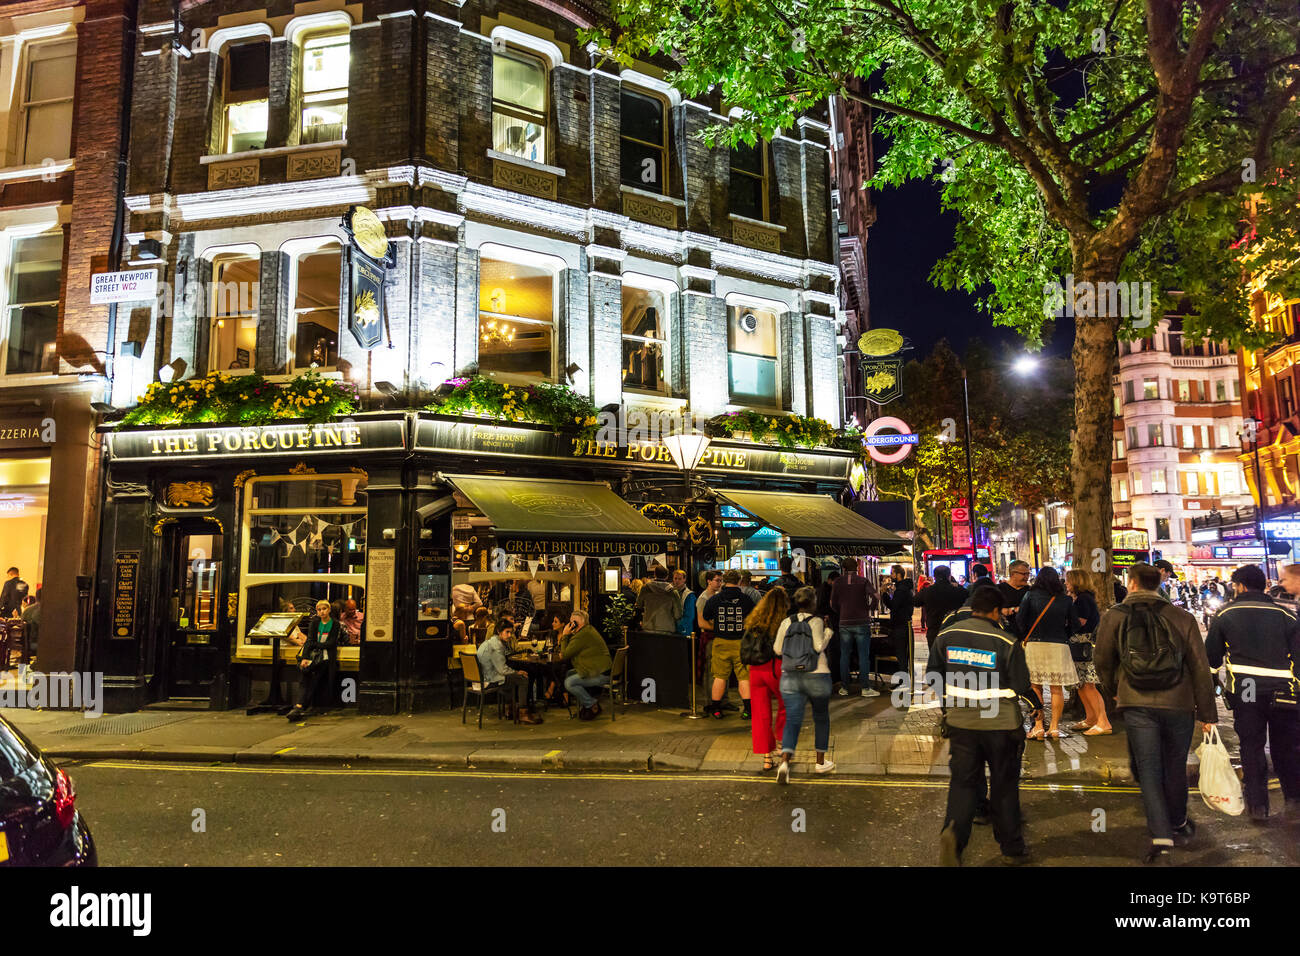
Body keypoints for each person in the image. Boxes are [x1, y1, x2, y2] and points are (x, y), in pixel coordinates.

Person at [1094, 563, 1217, 864]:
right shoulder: (1182, 616)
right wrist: (1208, 714)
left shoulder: (1115, 616)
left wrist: (1115, 690)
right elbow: (1201, 667)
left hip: (1136, 702)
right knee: (1174, 765)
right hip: (1178, 702)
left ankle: (1160, 836)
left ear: (1131, 583)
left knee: (1149, 768)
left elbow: (1102, 660)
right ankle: (1178, 821)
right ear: (1160, 582)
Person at [932, 585, 1042, 865]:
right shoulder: (1005, 641)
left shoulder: (946, 635)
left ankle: (954, 835)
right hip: (1001, 726)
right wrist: (1036, 708)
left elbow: (934, 675)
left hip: (961, 724)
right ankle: (1012, 848)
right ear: (994, 612)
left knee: (963, 784)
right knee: (1004, 787)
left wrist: (949, 706)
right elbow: (1020, 685)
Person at [1205, 563, 1300, 821]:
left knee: (1252, 746)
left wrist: (1214, 687)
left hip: (1247, 690)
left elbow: (1211, 658)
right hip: (1284, 691)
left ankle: (1258, 806)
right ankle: (1293, 798)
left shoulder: (1225, 614)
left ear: (1240, 586)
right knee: (1286, 747)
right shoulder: (1286, 615)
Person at [773, 586, 835, 782]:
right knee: (821, 718)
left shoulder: (786, 622)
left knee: (792, 720)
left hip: (790, 676)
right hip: (817, 675)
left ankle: (784, 763)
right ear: (813, 602)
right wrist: (828, 633)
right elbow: (818, 646)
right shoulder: (816, 621)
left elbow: (777, 649)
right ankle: (820, 763)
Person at [1016, 566, 1076, 739]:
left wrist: (1025, 635)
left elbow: (1020, 620)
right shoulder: (1065, 600)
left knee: (1035, 686)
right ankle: (1055, 727)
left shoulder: (1030, 596)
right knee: (1056, 688)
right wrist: (1064, 635)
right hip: (1059, 645)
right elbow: (1075, 625)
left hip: (1035, 645)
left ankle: (1039, 726)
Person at [741, 587, 789, 771]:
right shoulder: (783, 623)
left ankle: (767, 759)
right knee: (786, 706)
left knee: (760, 714)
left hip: (756, 670)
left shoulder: (755, 621)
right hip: (776, 667)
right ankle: (782, 745)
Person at [702, 570, 756, 719]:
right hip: (741, 642)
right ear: (739, 581)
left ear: (724, 581)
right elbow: (753, 617)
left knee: (719, 677)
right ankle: (747, 710)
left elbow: (706, 616)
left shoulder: (715, 599)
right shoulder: (746, 599)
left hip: (720, 642)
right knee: (743, 677)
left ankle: (716, 709)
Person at [1064, 569, 1112, 735]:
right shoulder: (1081, 599)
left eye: (1068, 581)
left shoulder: (1083, 600)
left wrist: (1066, 621)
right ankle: (1091, 718)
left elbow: (1080, 623)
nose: (1066, 583)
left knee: (1088, 685)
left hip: (1082, 647)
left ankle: (1103, 722)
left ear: (1076, 582)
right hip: (1078, 647)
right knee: (1082, 685)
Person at [286, 600, 345, 720]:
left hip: (326, 658)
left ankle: (300, 706)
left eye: (324, 609)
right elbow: (309, 642)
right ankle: (299, 706)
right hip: (312, 656)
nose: (322, 612)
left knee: (313, 678)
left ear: (329, 610)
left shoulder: (335, 624)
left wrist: (316, 644)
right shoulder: (314, 623)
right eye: (319, 610)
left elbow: (331, 643)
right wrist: (305, 658)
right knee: (305, 676)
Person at [831, 557, 879, 697]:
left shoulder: (838, 582)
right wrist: (870, 608)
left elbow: (832, 603)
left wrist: (841, 611)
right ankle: (865, 688)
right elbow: (876, 596)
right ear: (857, 568)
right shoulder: (863, 581)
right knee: (864, 655)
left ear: (843, 569)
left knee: (844, 655)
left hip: (844, 623)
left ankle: (845, 687)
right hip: (862, 622)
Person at [477, 620, 541, 724]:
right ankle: (523, 713)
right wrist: (516, 672)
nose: (509, 635)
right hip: (489, 680)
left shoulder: (491, 642)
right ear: (499, 631)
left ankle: (510, 710)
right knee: (523, 679)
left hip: (483, 678)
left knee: (512, 678)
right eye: (507, 632)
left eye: (511, 632)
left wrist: (514, 672)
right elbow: (502, 669)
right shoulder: (496, 646)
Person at [559, 609, 612, 720]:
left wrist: (565, 635)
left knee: (569, 683)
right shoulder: (587, 630)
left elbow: (565, 655)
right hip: (597, 669)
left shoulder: (582, 635)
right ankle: (585, 705)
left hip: (601, 674)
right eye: (570, 622)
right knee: (569, 673)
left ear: (580, 623)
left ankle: (591, 704)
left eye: (573, 623)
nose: (571, 625)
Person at [920, 566, 967, 651]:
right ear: (949, 576)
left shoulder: (928, 591)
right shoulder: (957, 591)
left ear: (934, 577)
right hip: (952, 630)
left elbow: (916, 601)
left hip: (934, 630)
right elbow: (967, 595)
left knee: (935, 659)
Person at [881, 565, 915, 672]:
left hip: (900, 626)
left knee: (901, 654)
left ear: (898, 575)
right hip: (905, 624)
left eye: (892, 573)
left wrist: (884, 594)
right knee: (904, 654)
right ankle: (905, 677)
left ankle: (903, 679)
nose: (891, 576)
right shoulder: (905, 588)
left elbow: (893, 606)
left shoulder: (901, 590)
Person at [636, 564, 683, 633]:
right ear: (667, 576)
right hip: (667, 629)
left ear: (655, 574)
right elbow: (678, 614)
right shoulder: (673, 592)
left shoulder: (645, 588)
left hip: (648, 627)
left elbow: (639, 605)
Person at [996, 560, 1031, 637]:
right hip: (1005, 634)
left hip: (1027, 636)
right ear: (1012, 574)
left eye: (1028, 574)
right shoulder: (998, 589)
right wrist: (1012, 610)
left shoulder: (1031, 591)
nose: (1027, 577)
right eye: (1024, 574)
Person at [674, 569, 698, 637]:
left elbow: (689, 616)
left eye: (679, 579)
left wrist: (679, 627)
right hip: (673, 629)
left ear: (684, 580)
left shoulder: (689, 595)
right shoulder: (671, 592)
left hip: (684, 630)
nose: (677, 581)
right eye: (675, 578)